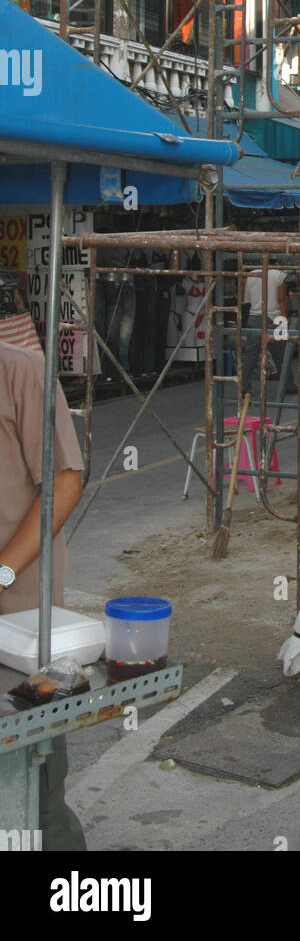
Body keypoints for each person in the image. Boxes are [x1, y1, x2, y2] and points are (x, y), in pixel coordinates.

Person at [0, 340, 86, 851]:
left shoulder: (24, 373)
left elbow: (66, 481)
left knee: (35, 791)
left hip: (22, 623)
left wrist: (3, 571)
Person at [241, 264, 292, 400]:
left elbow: (246, 301)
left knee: (250, 356)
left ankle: (244, 389)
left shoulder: (251, 275)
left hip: (254, 317)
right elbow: (281, 299)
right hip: (274, 318)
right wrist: (285, 318)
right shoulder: (279, 275)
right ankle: (288, 384)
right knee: (281, 354)